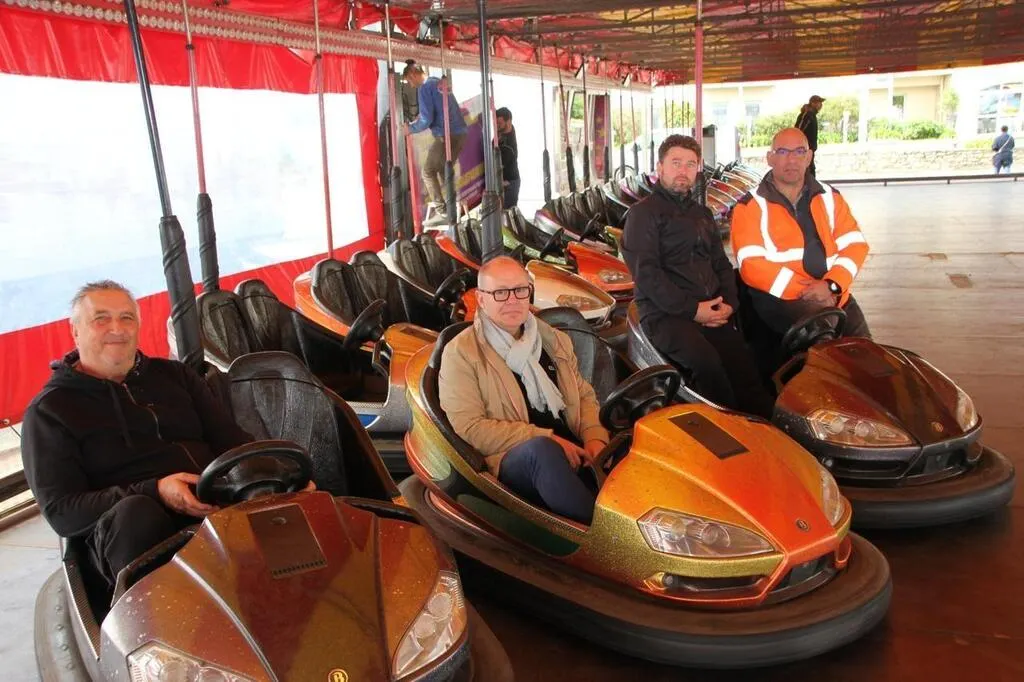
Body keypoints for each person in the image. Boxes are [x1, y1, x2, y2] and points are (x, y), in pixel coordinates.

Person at [21, 281, 255, 590]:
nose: (117, 328)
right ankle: (151, 622)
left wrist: (272, 473)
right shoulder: (50, 411)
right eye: (101, 318)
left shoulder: (175, 376)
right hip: (131, 533)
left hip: (212, 501)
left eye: (126, 317)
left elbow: (230, 439)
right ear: (75, 331)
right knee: (138, 513)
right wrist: (153, 490)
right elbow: (62, 512)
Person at [439, 257, 608, 524]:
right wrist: (548, 437)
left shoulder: (553, 340)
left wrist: (595, 437)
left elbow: (584, 396)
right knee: (541, 452)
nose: (512, 300)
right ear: (481, 299)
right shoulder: (461, 353)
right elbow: (470, 427)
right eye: (500, 293)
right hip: (514, 458)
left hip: (572, 442)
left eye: (520, 290)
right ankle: (603, 543)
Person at [621, 135, 775, 418]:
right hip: (665, 315)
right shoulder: (642, 215)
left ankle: (769, 430)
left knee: (744, 365)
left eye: (690, 164)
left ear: (698, 170)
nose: (683, 171)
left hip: (711, 309)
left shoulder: (702, 213)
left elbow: (720, 262)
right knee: (708, 366)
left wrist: (729, 302)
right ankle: (727, 429)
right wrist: (693, 310)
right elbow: (648, 275)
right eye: (676, 163)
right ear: (660, 167)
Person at [731, 127, 871, 341]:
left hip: (832, 293)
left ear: (809, 157)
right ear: (770, 158)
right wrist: (808, 292)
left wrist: (831, 285)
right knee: (826, 349)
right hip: (780, 299)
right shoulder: (750, 205)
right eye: (783, 152)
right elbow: (752, 265)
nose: (792, 160)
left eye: (799, 152)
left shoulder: (830, 198)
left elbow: (855, 246)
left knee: (868, 353)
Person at [405, 64, 468, 222]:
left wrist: (410, 129)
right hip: (460, 133)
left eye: (409, 81)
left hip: (446, 135)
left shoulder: (424, 88)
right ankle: (452, 205)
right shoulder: (437, 82)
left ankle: (443, 211)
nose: (411, 85)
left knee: (428, 172)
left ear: (413, 73)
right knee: (443, 170)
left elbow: (427, 119)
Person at [495, 107, 521, 208]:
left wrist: (503, 182)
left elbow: (499, 165)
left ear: (508, 121)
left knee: (506, 214)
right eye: (495, 123)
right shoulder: (508, 129)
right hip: (506, 181)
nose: (497, 126)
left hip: (509, 183)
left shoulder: (508, 145)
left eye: (499, 123)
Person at [795, 95, 825, 176]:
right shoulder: (807, 115)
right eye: (819, 103)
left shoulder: (812, 115)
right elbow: (798, 131)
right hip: (805, 151)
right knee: (808, 174)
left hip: (809, 151)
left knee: (810, 174)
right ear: (813, 103)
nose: (821, 105)